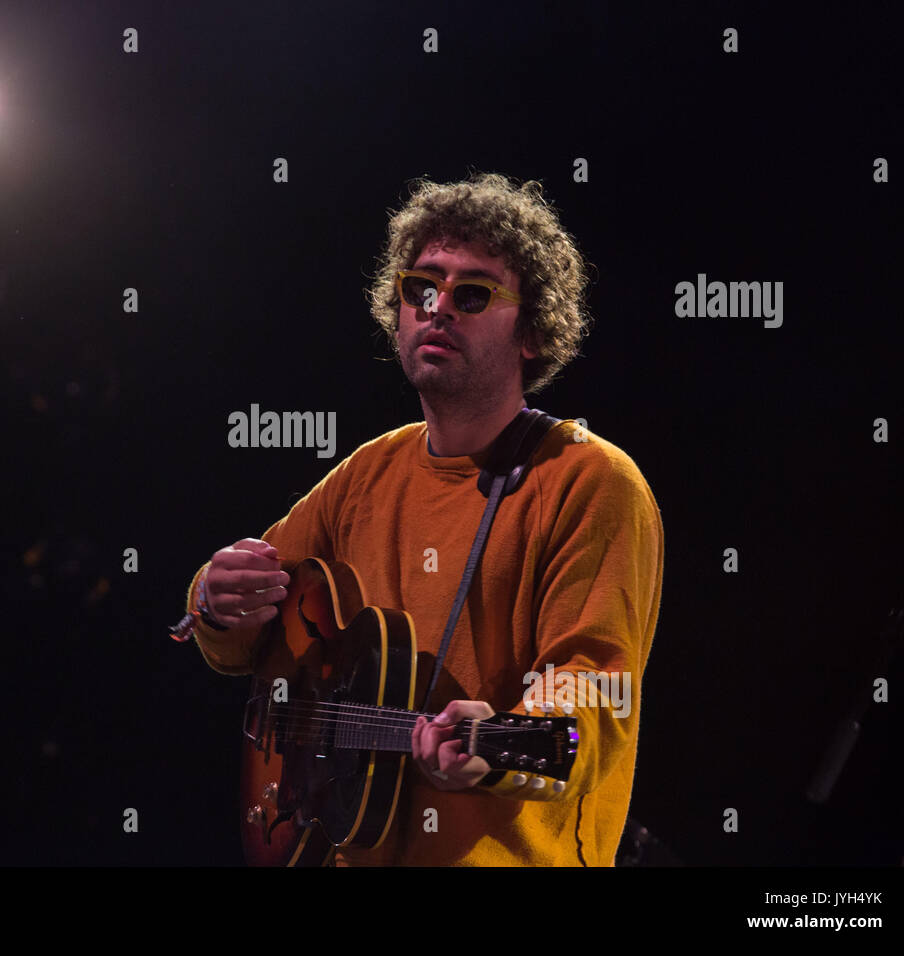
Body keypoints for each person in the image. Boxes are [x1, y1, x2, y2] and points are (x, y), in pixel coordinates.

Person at [182, 172, 664, 866]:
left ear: (531, 332)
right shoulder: (369, 472)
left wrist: (499, 747)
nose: (438, 308)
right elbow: (240, 640)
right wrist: (216, 599)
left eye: (472, 294)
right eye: (421, 287)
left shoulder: (592, 481)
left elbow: (598, 691)